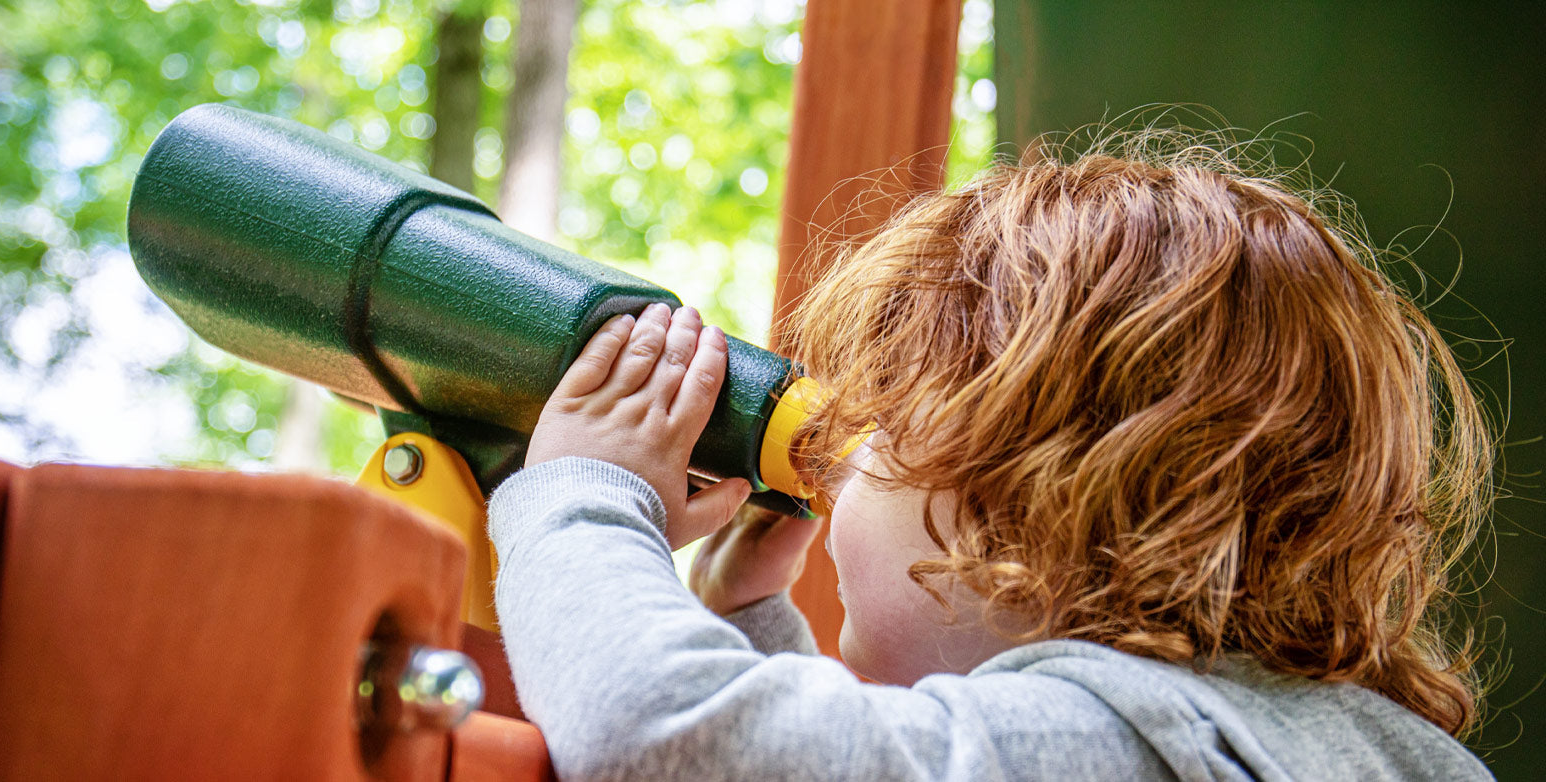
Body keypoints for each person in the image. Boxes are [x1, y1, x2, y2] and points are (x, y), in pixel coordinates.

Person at [485, 145, 1496, 780]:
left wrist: (584, 491)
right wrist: (750, 624)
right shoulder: (1346, 743)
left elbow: (664, 735)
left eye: (882, 429)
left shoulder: (1139, 737)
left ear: (1031, 493)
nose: (837, 474)